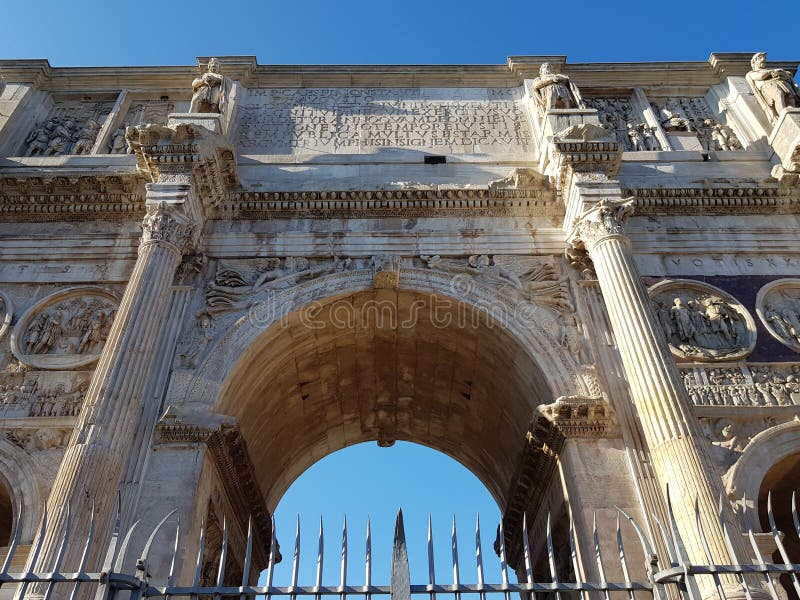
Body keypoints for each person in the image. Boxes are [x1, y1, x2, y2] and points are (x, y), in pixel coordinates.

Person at [746, 52, 800, 123]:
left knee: (790, 97)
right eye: (760, 58)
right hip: (768, 86)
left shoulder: (769, 70)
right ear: (754, 62)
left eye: (764, 58)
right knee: (779, 95)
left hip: (781, 83)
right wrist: (771, 71)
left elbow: (788, 75)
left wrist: (783, 73)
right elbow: (761, 76)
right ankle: (783, 115)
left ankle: (793, 112)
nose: (763, 60)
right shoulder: (751, 73)